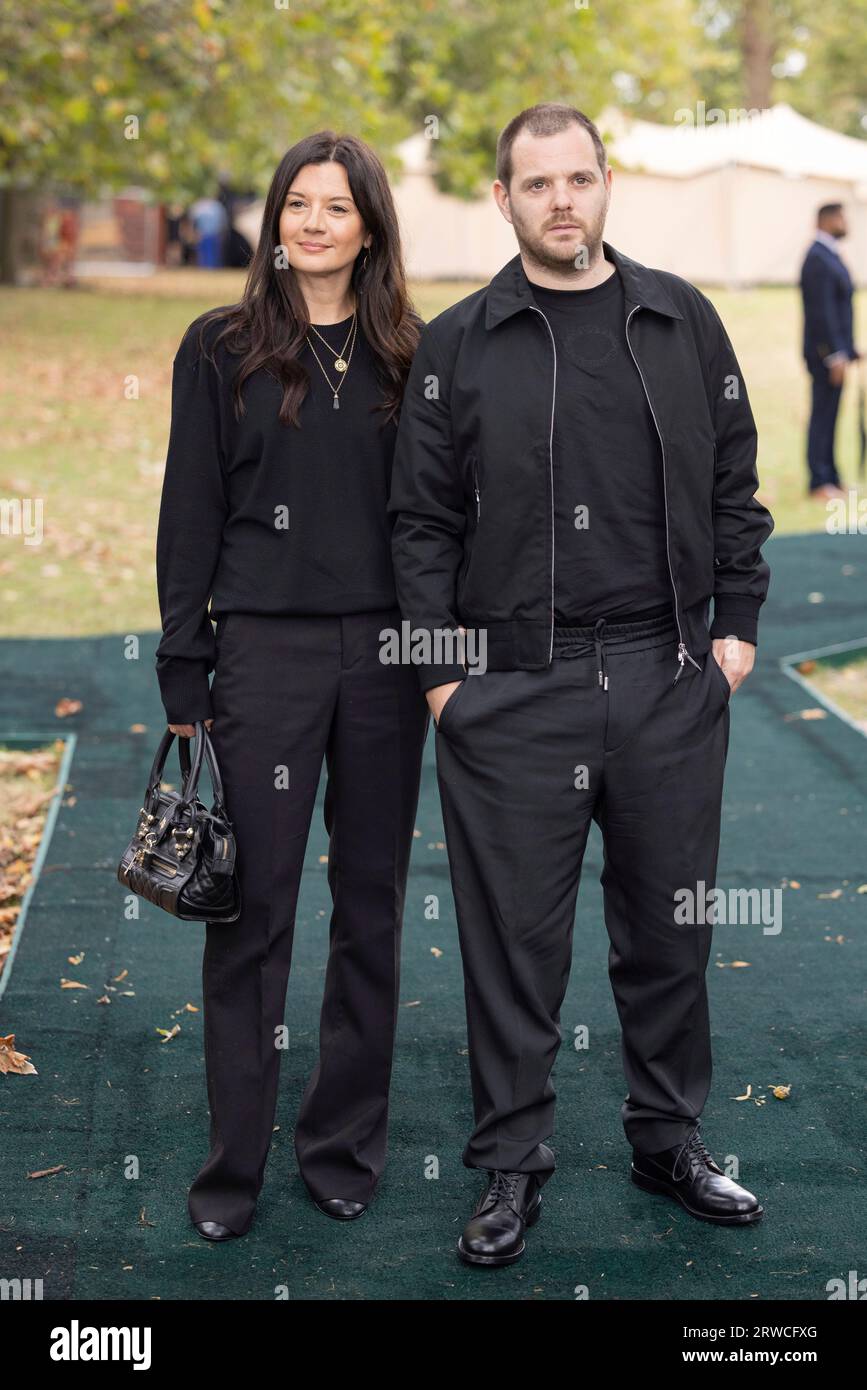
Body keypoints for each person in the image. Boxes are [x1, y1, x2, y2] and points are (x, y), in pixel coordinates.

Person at [388, 103, 774, 1267]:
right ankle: (511, 1166)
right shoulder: (460, 342)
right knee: (516, 944)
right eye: (537, 183)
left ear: (608, 187)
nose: (563, 200)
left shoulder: (682, 320)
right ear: (502, 200)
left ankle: (668, 1139)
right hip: (513, 689)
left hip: (666, 674)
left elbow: (739, 488)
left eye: (580, 179)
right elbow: (417, 527)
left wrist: (736, 633)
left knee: (671, 929)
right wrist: (447, 684)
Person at [155, 131, 428, 1240]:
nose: (314, 222)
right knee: (250, 915)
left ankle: (343, 1144)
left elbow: (439, 517)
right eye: (297, 204)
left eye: (337, 206)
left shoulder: (414, 351)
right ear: (274, 219)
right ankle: (233, 1168)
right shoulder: (219, 347)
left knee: (368, 911)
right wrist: (185, 664)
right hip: (261, 654)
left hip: (386, 662)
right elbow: (188, 513)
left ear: (369, 224)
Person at [799, 203, 859, 500]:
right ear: (828, 219)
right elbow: (821, 313)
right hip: (824, 355)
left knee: (832, 414)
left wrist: (851, 350)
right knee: (822, 415)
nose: (845, 223)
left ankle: (832, 477)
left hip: (837, 353)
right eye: (842, 217)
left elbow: (839, 307)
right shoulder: (817, 258)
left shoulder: (830, 255)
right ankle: (818, 481)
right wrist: (833, 353)